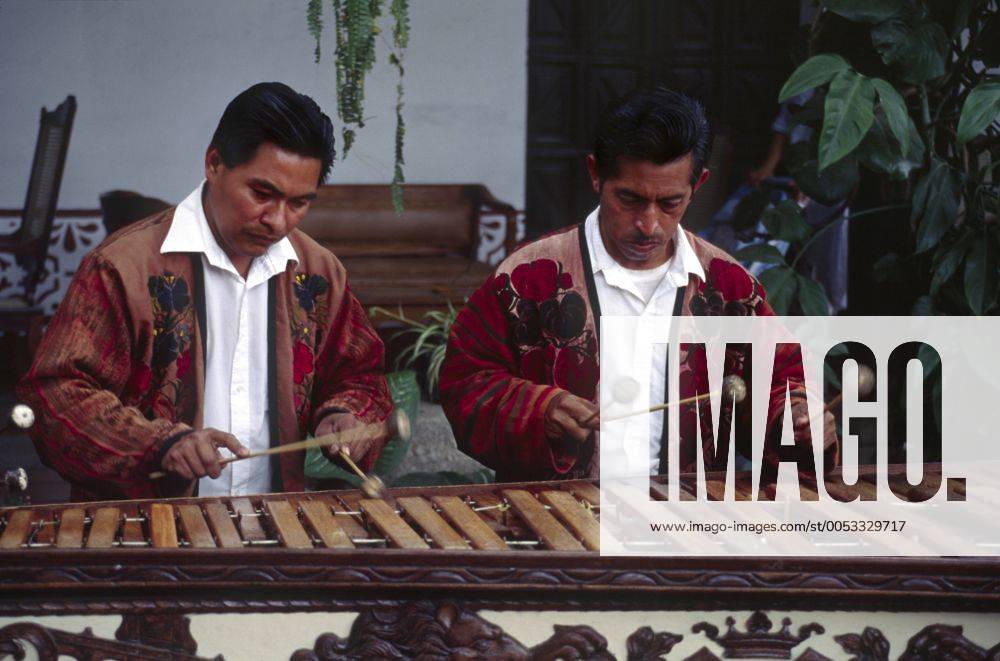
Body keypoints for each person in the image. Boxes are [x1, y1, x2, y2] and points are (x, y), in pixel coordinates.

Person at [439, 87, 837, 482]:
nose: (649, 225)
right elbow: (464, 382)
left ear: (698, 185)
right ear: (596, 174)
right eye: (629, 199)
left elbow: (783, 376)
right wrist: (541, 409)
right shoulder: (529, 277)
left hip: (686, 526)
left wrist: (797, 416)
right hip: (554, 522)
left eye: (670, 203)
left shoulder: (728, 286)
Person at [17, 82, 392, 501]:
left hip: (276, 527)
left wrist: (345, 415)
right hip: (147, 535)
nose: (279, 221)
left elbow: (360, 375)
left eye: (299, 203)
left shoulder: (318, 273)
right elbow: (55, 396)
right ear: (214, 163)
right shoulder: (123, 267)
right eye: (262, 194)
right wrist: (158, 444)